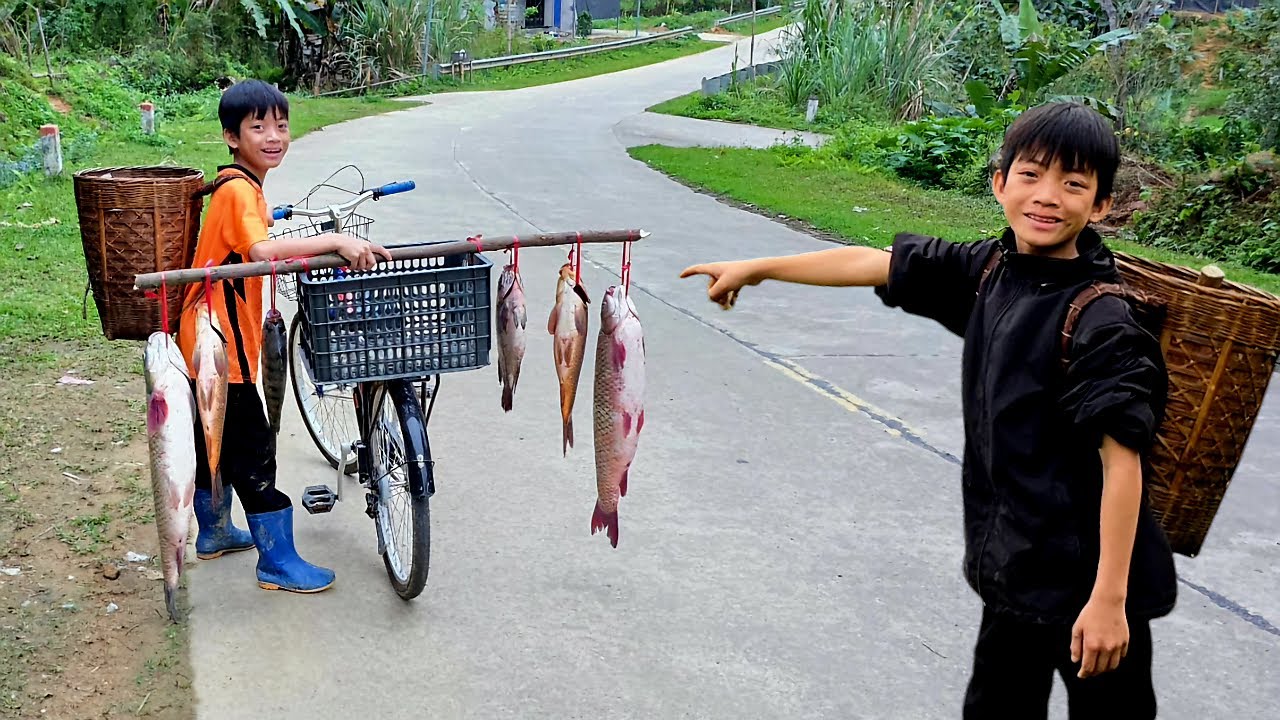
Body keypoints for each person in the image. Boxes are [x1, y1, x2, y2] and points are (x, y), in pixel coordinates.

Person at [679, 101, 1177, 718]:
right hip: (1015, 575)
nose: (1048, 196)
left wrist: (1109, 601)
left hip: (1093, 588)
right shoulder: (990, 270)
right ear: (999, 183)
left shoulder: (1102, 315)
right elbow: (877, 263)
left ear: (1101, 206)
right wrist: (757, 268)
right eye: (1031, 175)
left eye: (1073, 184)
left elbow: (1123, 465)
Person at [176, 79, 391, 593]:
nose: (274, 136)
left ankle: (216, 532)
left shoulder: (242, 185)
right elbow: (258, 252)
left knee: (220, 437)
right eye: (258, 127)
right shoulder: (236, 190)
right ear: (232, 136)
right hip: (221, 344)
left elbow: (250, 237)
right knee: (253, 447)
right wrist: (337, 238)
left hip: (204, 335)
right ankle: (276, 561)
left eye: (281, 125)